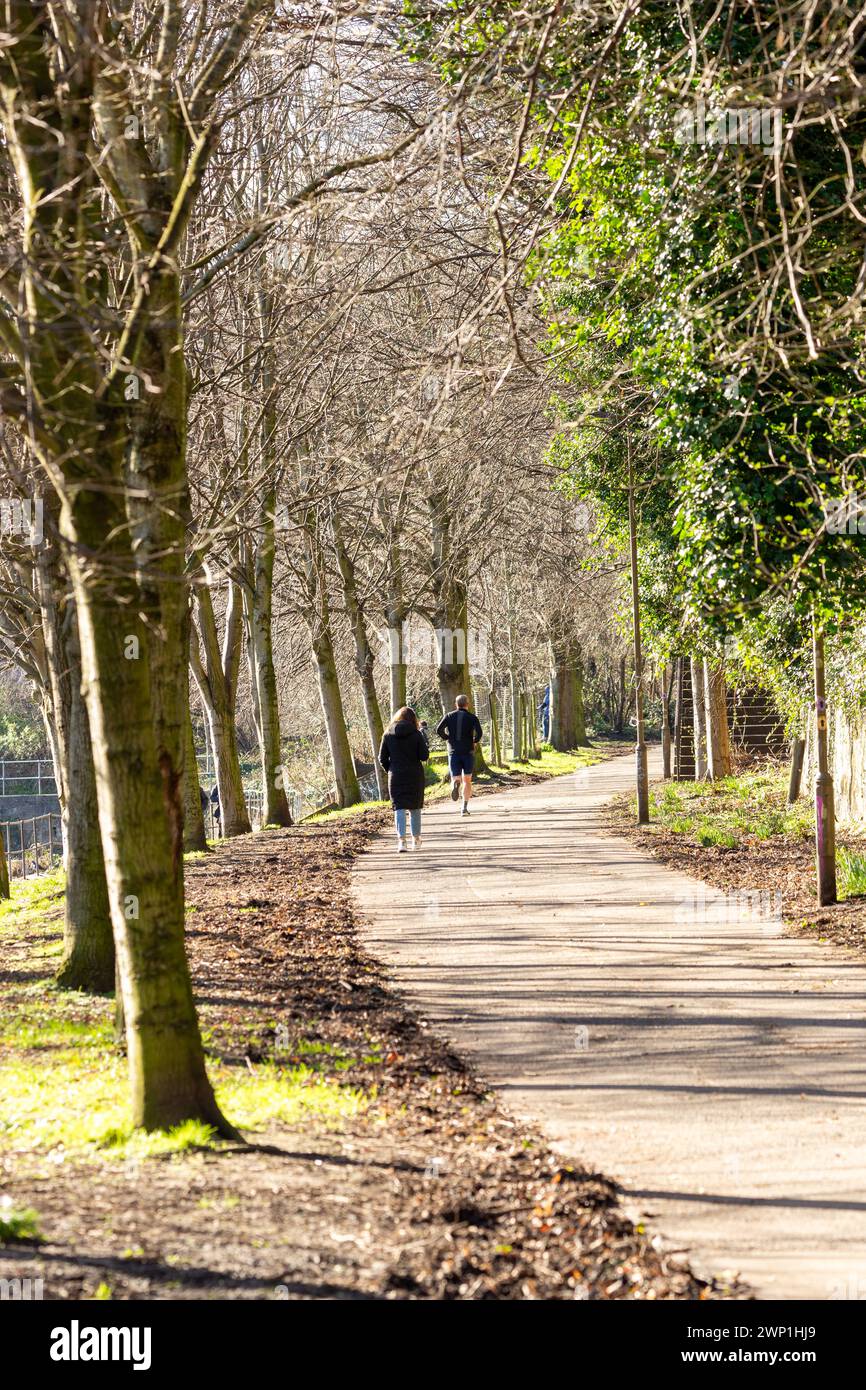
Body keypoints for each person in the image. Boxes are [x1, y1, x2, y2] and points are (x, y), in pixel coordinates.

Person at [378, 707, 429, 853]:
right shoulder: (416, 734)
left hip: (396, 775)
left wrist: (391, 769)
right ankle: (416, 840)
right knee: (414, 807)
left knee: (399, 808)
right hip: (414, 774)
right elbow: (424, 756)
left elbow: (382, 758)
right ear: (413, 719)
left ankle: (401, 842)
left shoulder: (388, 733)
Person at [436, 694, 482, 816]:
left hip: (453, 752)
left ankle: (455, 784)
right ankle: (464, 808)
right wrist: (474, 741)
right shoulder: (472, 717)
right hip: (468, 752)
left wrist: (447, 738)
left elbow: (438, 730)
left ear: (456, 704)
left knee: (456, 777)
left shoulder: (449, 716)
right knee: (467, 780)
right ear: (468, 704)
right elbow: (479, 733)